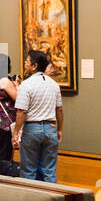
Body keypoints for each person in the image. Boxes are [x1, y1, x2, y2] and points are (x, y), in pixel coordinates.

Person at [11, 50, 63, 183]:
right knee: (49, 171)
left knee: (28, 171)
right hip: (51, 128)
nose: (25, 63)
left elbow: (22, 112)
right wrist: (59, 130)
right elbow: (59, 110)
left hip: (32, 130)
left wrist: (16, 132)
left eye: (27, 61)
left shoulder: (26, 85)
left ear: (34, 66)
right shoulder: (54, 85)